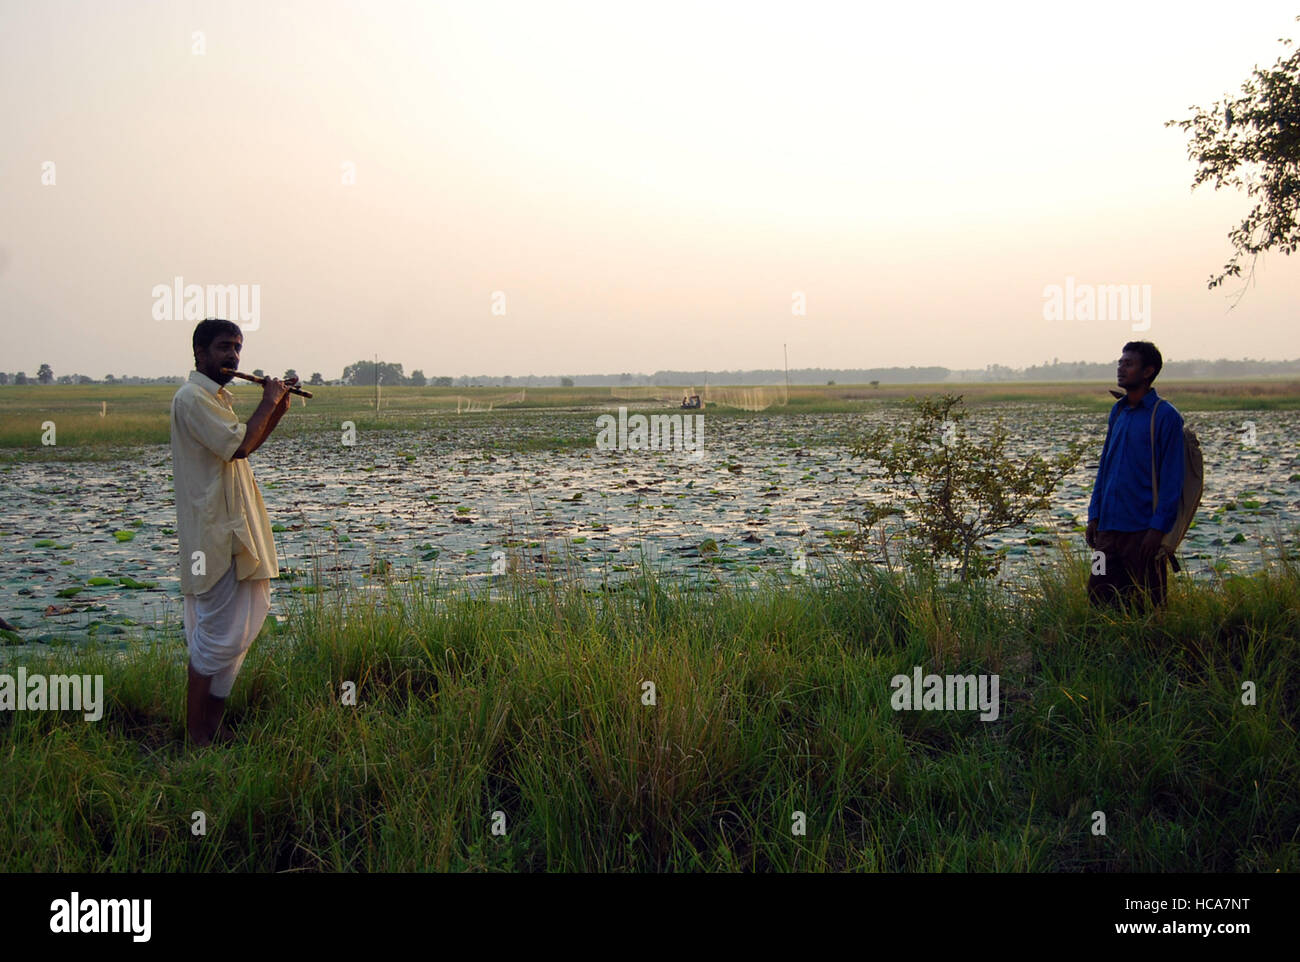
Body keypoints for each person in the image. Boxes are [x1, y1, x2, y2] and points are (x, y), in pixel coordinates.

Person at [170, 318, 296, 746]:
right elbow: (239, 445)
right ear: (200, 352)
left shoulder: (217, 398)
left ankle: (213, 729)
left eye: (238, 348)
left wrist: (276, 407)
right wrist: (267, 401)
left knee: (234, 637)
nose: (234, 357)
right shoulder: (192, 398)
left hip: (232, 531)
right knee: (213, 638)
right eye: (224, 347)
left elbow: (246, 442)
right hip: (213, 536)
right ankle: (196, 737)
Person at [1085, 341, 1184, 609]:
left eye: (1128, 363)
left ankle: (1151, 650)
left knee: (1148, 603)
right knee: (1097, 595)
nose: (1120, 368)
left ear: (1147, 371)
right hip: (1107, 531)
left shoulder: (1165, 416)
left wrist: (1158, 529)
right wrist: (1094, 514)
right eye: (1120, 362)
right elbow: (1104, 467)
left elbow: (1172, 478)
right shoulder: (1117, 411)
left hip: (1142, 533)